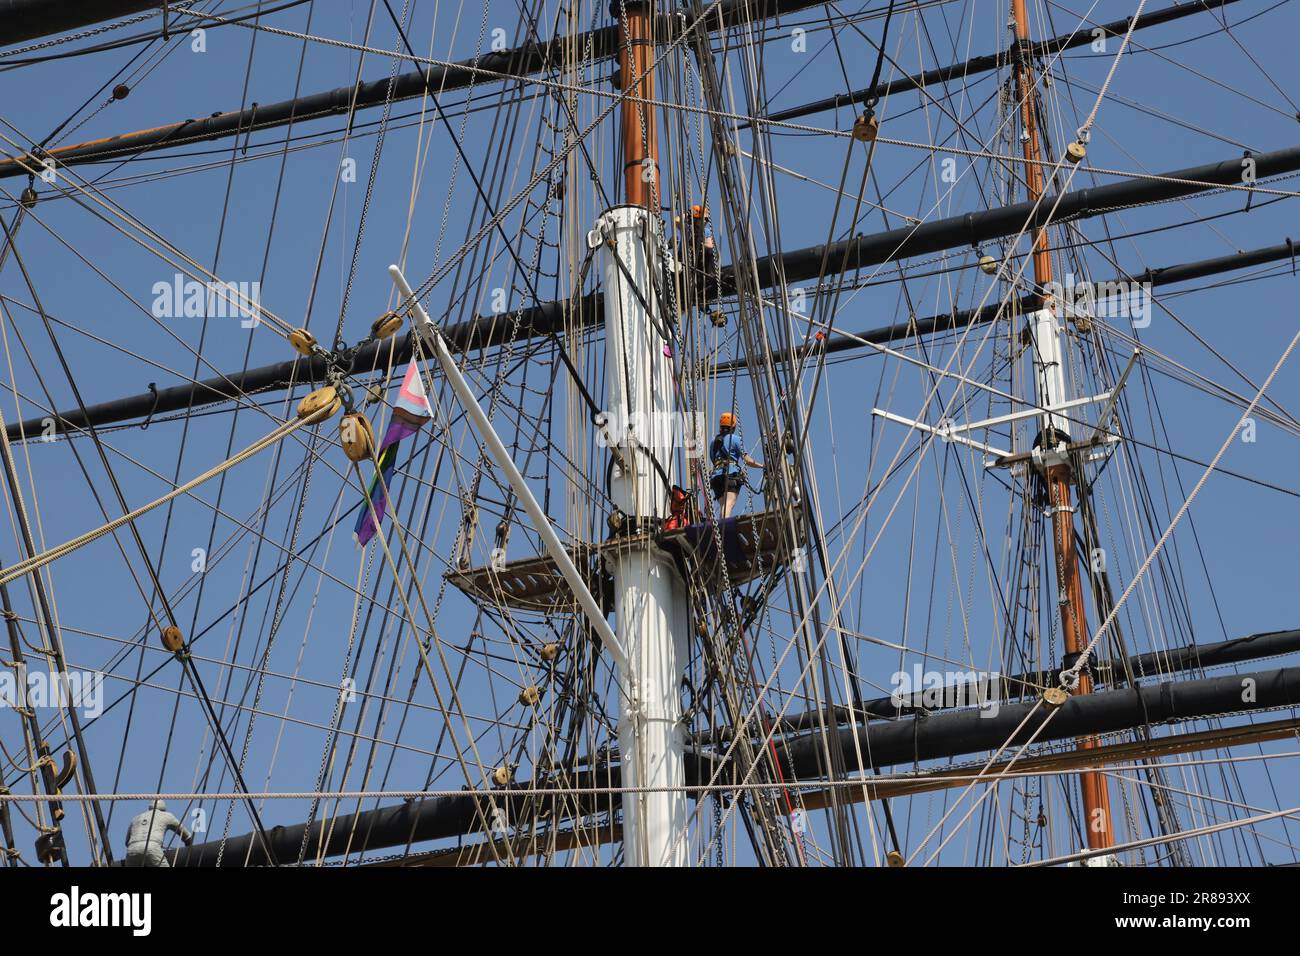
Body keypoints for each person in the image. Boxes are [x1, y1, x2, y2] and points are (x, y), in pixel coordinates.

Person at [709, 412, 762, 518]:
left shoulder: (713, 442)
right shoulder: (735, 439)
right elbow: (747, 460)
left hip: (716, 478)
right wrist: (762, 466)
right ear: (733, 426)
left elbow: (713, 459)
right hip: (730, 474)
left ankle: (721, 527)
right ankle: (723, 529)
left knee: (724, 505)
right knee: (729, 504)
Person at [124, 799, 192, 867]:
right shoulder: (167, 815)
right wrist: (188, 845)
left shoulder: (136, 818)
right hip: (152, 847)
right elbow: (186, 835)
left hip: (131, 850)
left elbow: (127, 842)